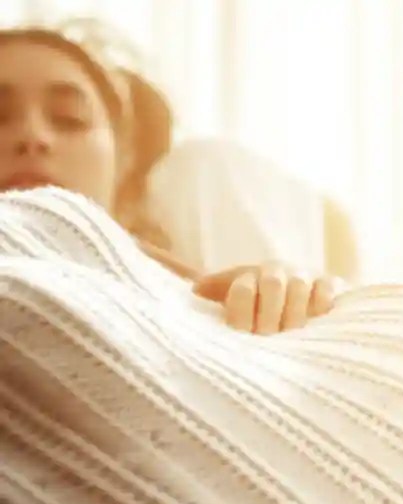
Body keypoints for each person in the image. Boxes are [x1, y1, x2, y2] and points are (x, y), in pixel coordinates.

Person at [0, 22, 345, 335]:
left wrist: (286, 300)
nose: (33, 137)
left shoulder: (196, 298)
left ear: (122, 168)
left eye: (70, 119)